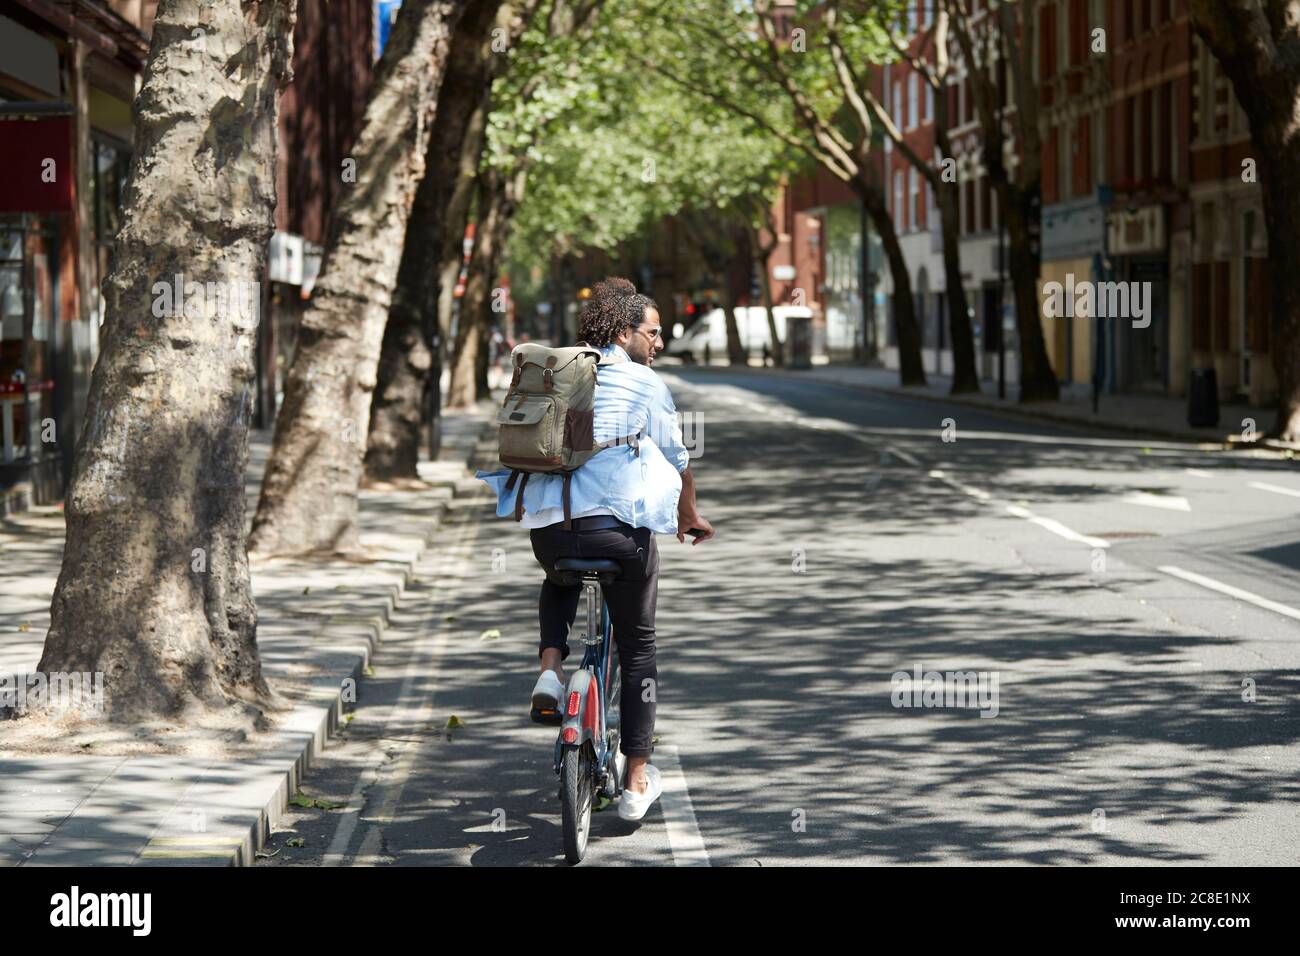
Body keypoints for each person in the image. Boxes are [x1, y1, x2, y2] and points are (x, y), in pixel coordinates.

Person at [477, 277, 714, 822]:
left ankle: (550, 670)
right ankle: (635, 782)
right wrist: (690, 517)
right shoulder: (644, 384)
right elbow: (678, 460)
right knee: (638, 648)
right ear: (626, 332)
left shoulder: (560, 369)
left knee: (557, 575)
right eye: (652, 334)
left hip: (551, 531)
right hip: (618, 534)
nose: (659, 343)